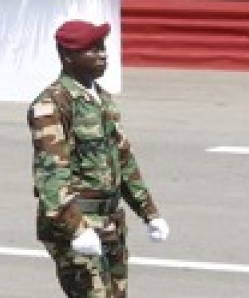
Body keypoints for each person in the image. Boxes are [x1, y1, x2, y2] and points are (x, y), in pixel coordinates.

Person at [27, 20, 170, 297]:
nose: (103, 54)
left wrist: (149, 212)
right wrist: (77, 229)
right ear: (68, 56)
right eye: (92, 50)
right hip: (75, 221)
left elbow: (124, 159)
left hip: (110, 221)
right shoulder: (52, 104)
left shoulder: (101, 99)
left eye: (102, 47)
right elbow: (51, 175)